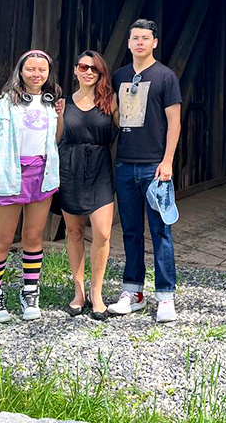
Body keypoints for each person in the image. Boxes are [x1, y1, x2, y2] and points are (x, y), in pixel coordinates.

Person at [0, 50, 62, 324]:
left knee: (33, 238)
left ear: (48, 73)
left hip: (42, 176)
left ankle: (30, 292)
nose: (36, 74)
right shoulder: (5, 105)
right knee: (3, 240)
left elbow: (55, 141)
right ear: (20, 71)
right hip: (11, 175)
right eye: (31, 69)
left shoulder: (52, 104)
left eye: (42, 69)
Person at [107, 19, 182, 323]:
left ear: (155, 42)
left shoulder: (166, 77)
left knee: (160, 232)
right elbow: (115, 114)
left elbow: (174, 122)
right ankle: (133, 292)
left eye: (145, 38)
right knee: (131, 232)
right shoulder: (120, 76)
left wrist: (168, 161)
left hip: (154, 166)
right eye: (134, 38)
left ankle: (165, 296)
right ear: (128, 43)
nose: (139, 42)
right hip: (125, 164)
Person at [56, 50, 117, 321]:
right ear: (75, 70)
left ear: (101, 73)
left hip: (100, 168)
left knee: (103, 233)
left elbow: (129, 126)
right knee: (74, 231)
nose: (89, 72)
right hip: (69, 168)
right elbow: (55, 138)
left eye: (94, 69)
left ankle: (97, 292)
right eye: (84, 67)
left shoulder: (110, 101)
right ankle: (79, 291)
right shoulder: (63, 104)